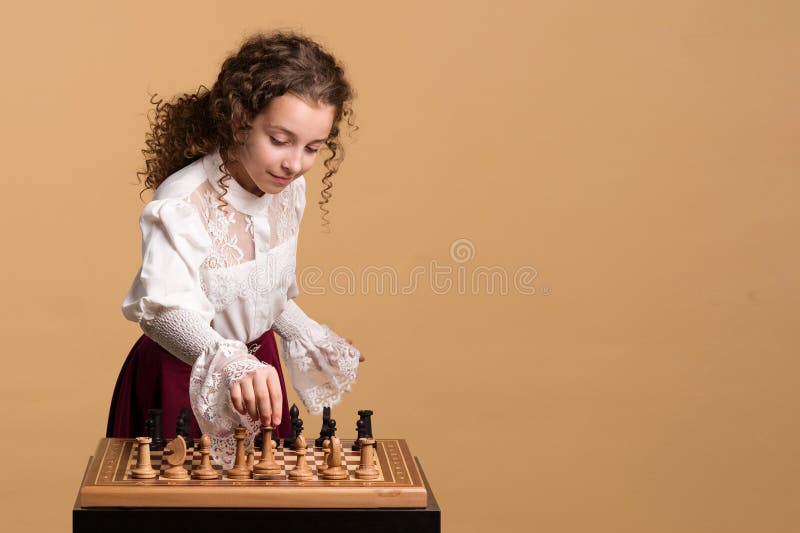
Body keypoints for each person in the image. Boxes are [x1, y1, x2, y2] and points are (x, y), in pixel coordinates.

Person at [106, 30, 363, 468]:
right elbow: (162, 314)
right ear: (239, 120)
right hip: (184, 377)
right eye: (280, 140)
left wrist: (303, 332)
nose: (295, 163)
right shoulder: (183, 202)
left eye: (313, 147)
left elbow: (255, 290)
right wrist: (233, 364)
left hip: (257, 371)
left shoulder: (288, 190)